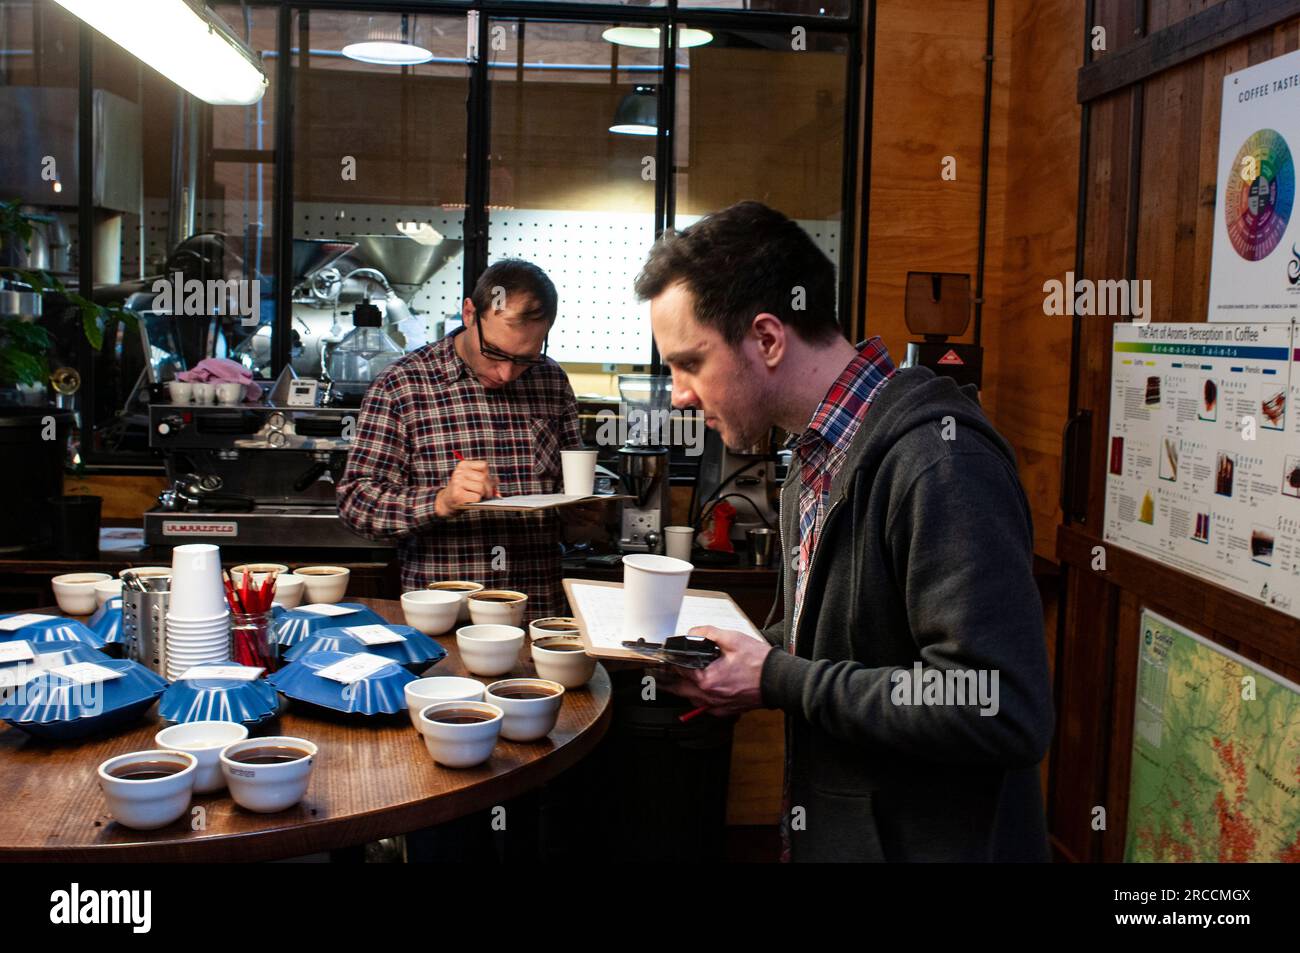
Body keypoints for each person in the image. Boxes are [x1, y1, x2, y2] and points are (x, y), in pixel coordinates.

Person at [633, 201, 1054, 862]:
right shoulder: (817, 455)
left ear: (768, 339)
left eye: (690, 362)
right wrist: (735, 656)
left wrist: (775, 677)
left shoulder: (940, 460)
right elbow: (850, 641)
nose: (680, 393)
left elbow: (1001, 704)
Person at [337, 258, 581, 617]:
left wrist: (586, 513)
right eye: (495, 352)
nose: (506, 373)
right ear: (469, 313)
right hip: (445, 619)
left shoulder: (551, 381)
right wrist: (440, 502)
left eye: (525, 359)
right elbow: (356, 503)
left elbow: (570, 485)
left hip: (538, 614)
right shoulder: (402, 385)